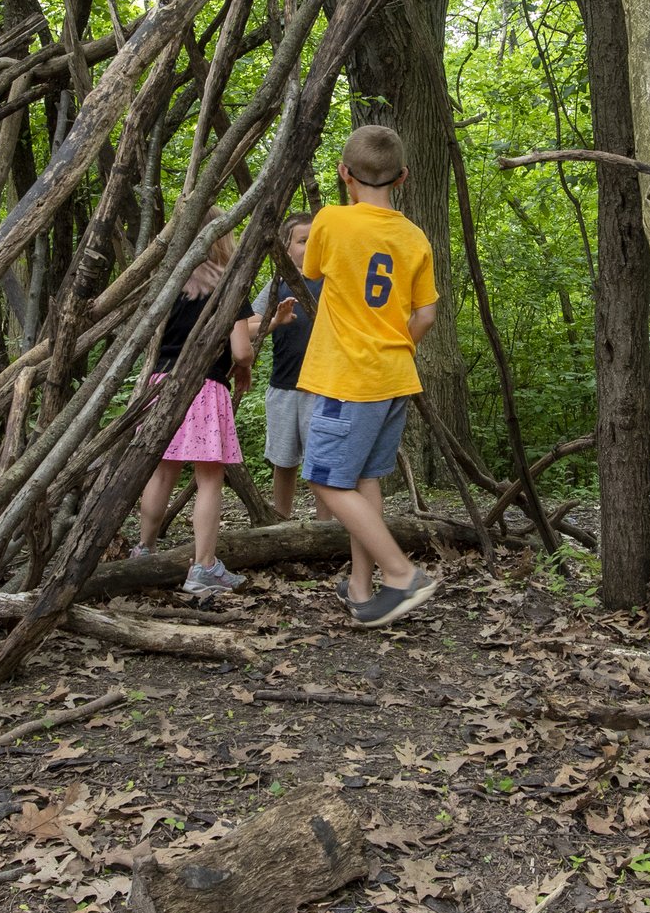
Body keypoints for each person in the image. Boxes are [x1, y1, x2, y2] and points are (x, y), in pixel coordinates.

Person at [297, 124, 440, 627]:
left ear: (344, 174)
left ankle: (401, 573)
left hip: (348, 379)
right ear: (402, 177)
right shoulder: (415, 236)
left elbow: (312, 272)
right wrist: (392, 346)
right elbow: (424, 316)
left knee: (323, 480)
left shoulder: (331, 221)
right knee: (363, 478)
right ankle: (361, 587)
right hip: (394, 376)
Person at [134, 232, 258, 595]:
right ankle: (203, 566)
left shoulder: (169, 282)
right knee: (209, 479)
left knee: (161, 472)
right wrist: (245, 365)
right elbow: (242, 351)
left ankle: (144, 550)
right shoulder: (229, 286)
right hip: (203, 385)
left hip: (161, 384)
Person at [251, 215, 322, 518]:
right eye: (302, 241)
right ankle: (282, 518)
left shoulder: (330, 282)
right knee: (284, 460)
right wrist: (275, 321)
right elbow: (248, 325)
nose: (309, 246)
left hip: (321, 387)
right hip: (283, 385)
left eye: (314, 240)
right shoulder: (277, 284)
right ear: (287, 247)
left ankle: (325, 526)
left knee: (320, 461)